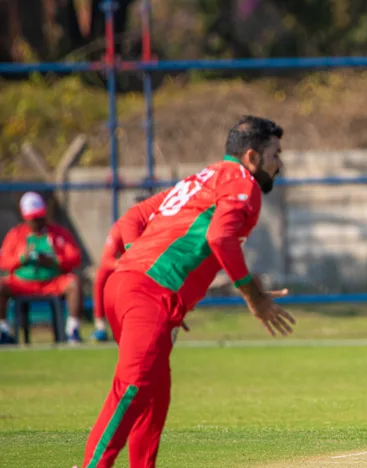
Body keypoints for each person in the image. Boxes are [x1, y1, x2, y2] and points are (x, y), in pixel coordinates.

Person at [80, 115, 296, 468]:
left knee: (152, 398)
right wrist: (254, 298)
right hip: (146, 293)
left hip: (130, 289)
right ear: (253, 157)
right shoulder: (243, 183)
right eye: (276, 153)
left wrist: (141, 267)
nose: (280, 163)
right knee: (133, 387)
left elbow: (131, 218)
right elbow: (220, 237)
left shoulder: (204, 177)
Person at [0, 192, 84, 344]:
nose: (37, 222)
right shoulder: (16, 235)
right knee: (1, 285)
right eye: (33, 219)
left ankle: (73, 330)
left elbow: (75, 258)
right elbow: (4, 261)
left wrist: (54, 260)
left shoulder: (59, 233)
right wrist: (22, 258)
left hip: (52, 282)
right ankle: (3, 331)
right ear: (25, 217)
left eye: (40, 217)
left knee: (74, 283)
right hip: (23, 283)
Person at [90, 193, 154, 342]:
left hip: (151, 270)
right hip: (128, 270)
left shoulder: (157, 227)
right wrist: (126, 264)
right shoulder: (121, 227)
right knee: (101, 275)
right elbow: (106, 259)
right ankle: (100, 326)